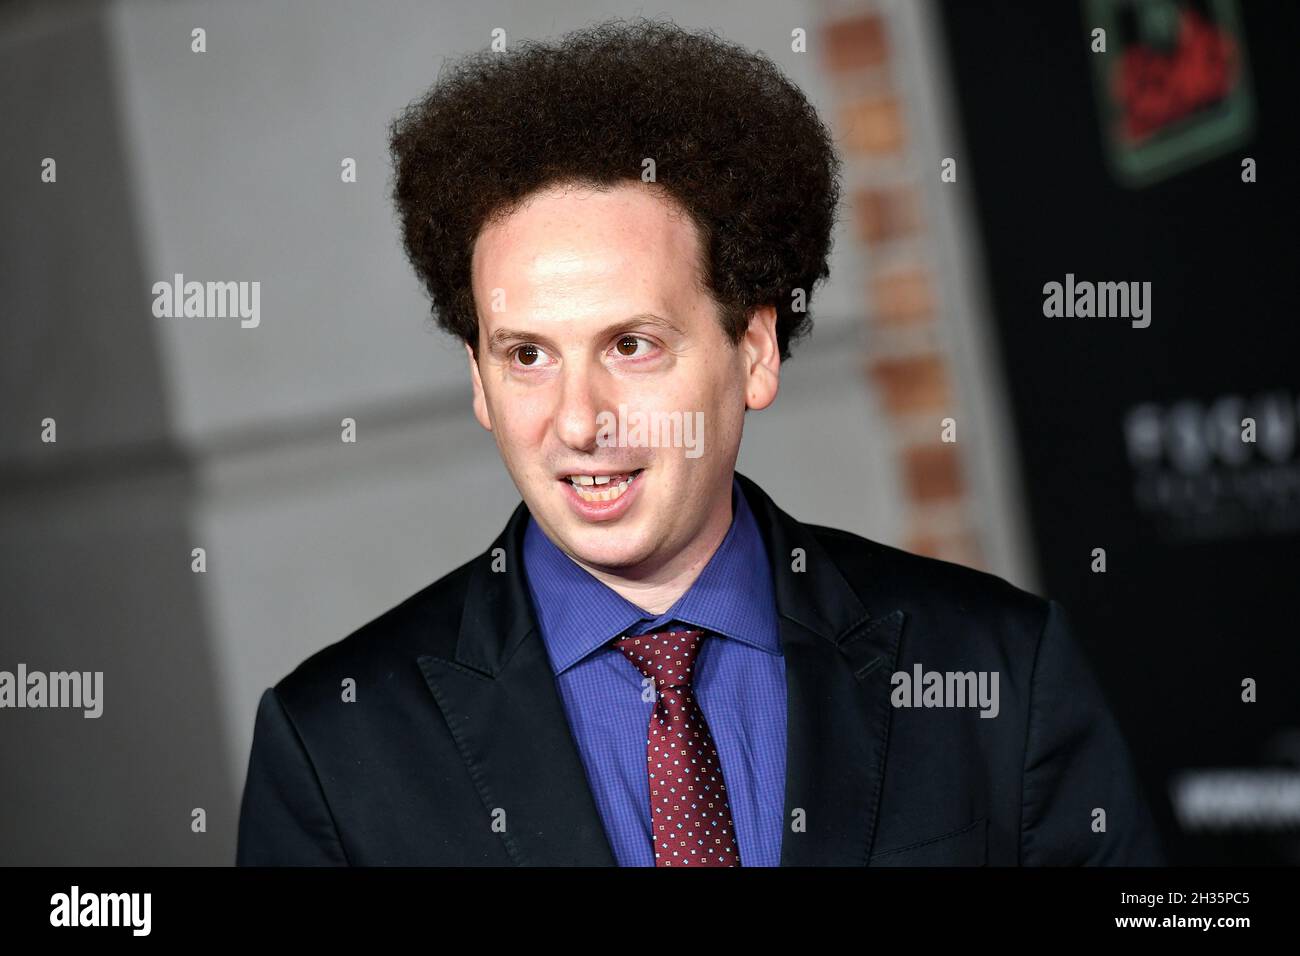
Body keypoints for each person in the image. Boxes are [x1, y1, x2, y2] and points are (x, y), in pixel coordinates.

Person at [236, 18, 1163, 866]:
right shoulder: (335, 748)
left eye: (631, 345)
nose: (576, 421)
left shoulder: (992, 670)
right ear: (478, 378)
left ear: (753, 352)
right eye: (527, 355)